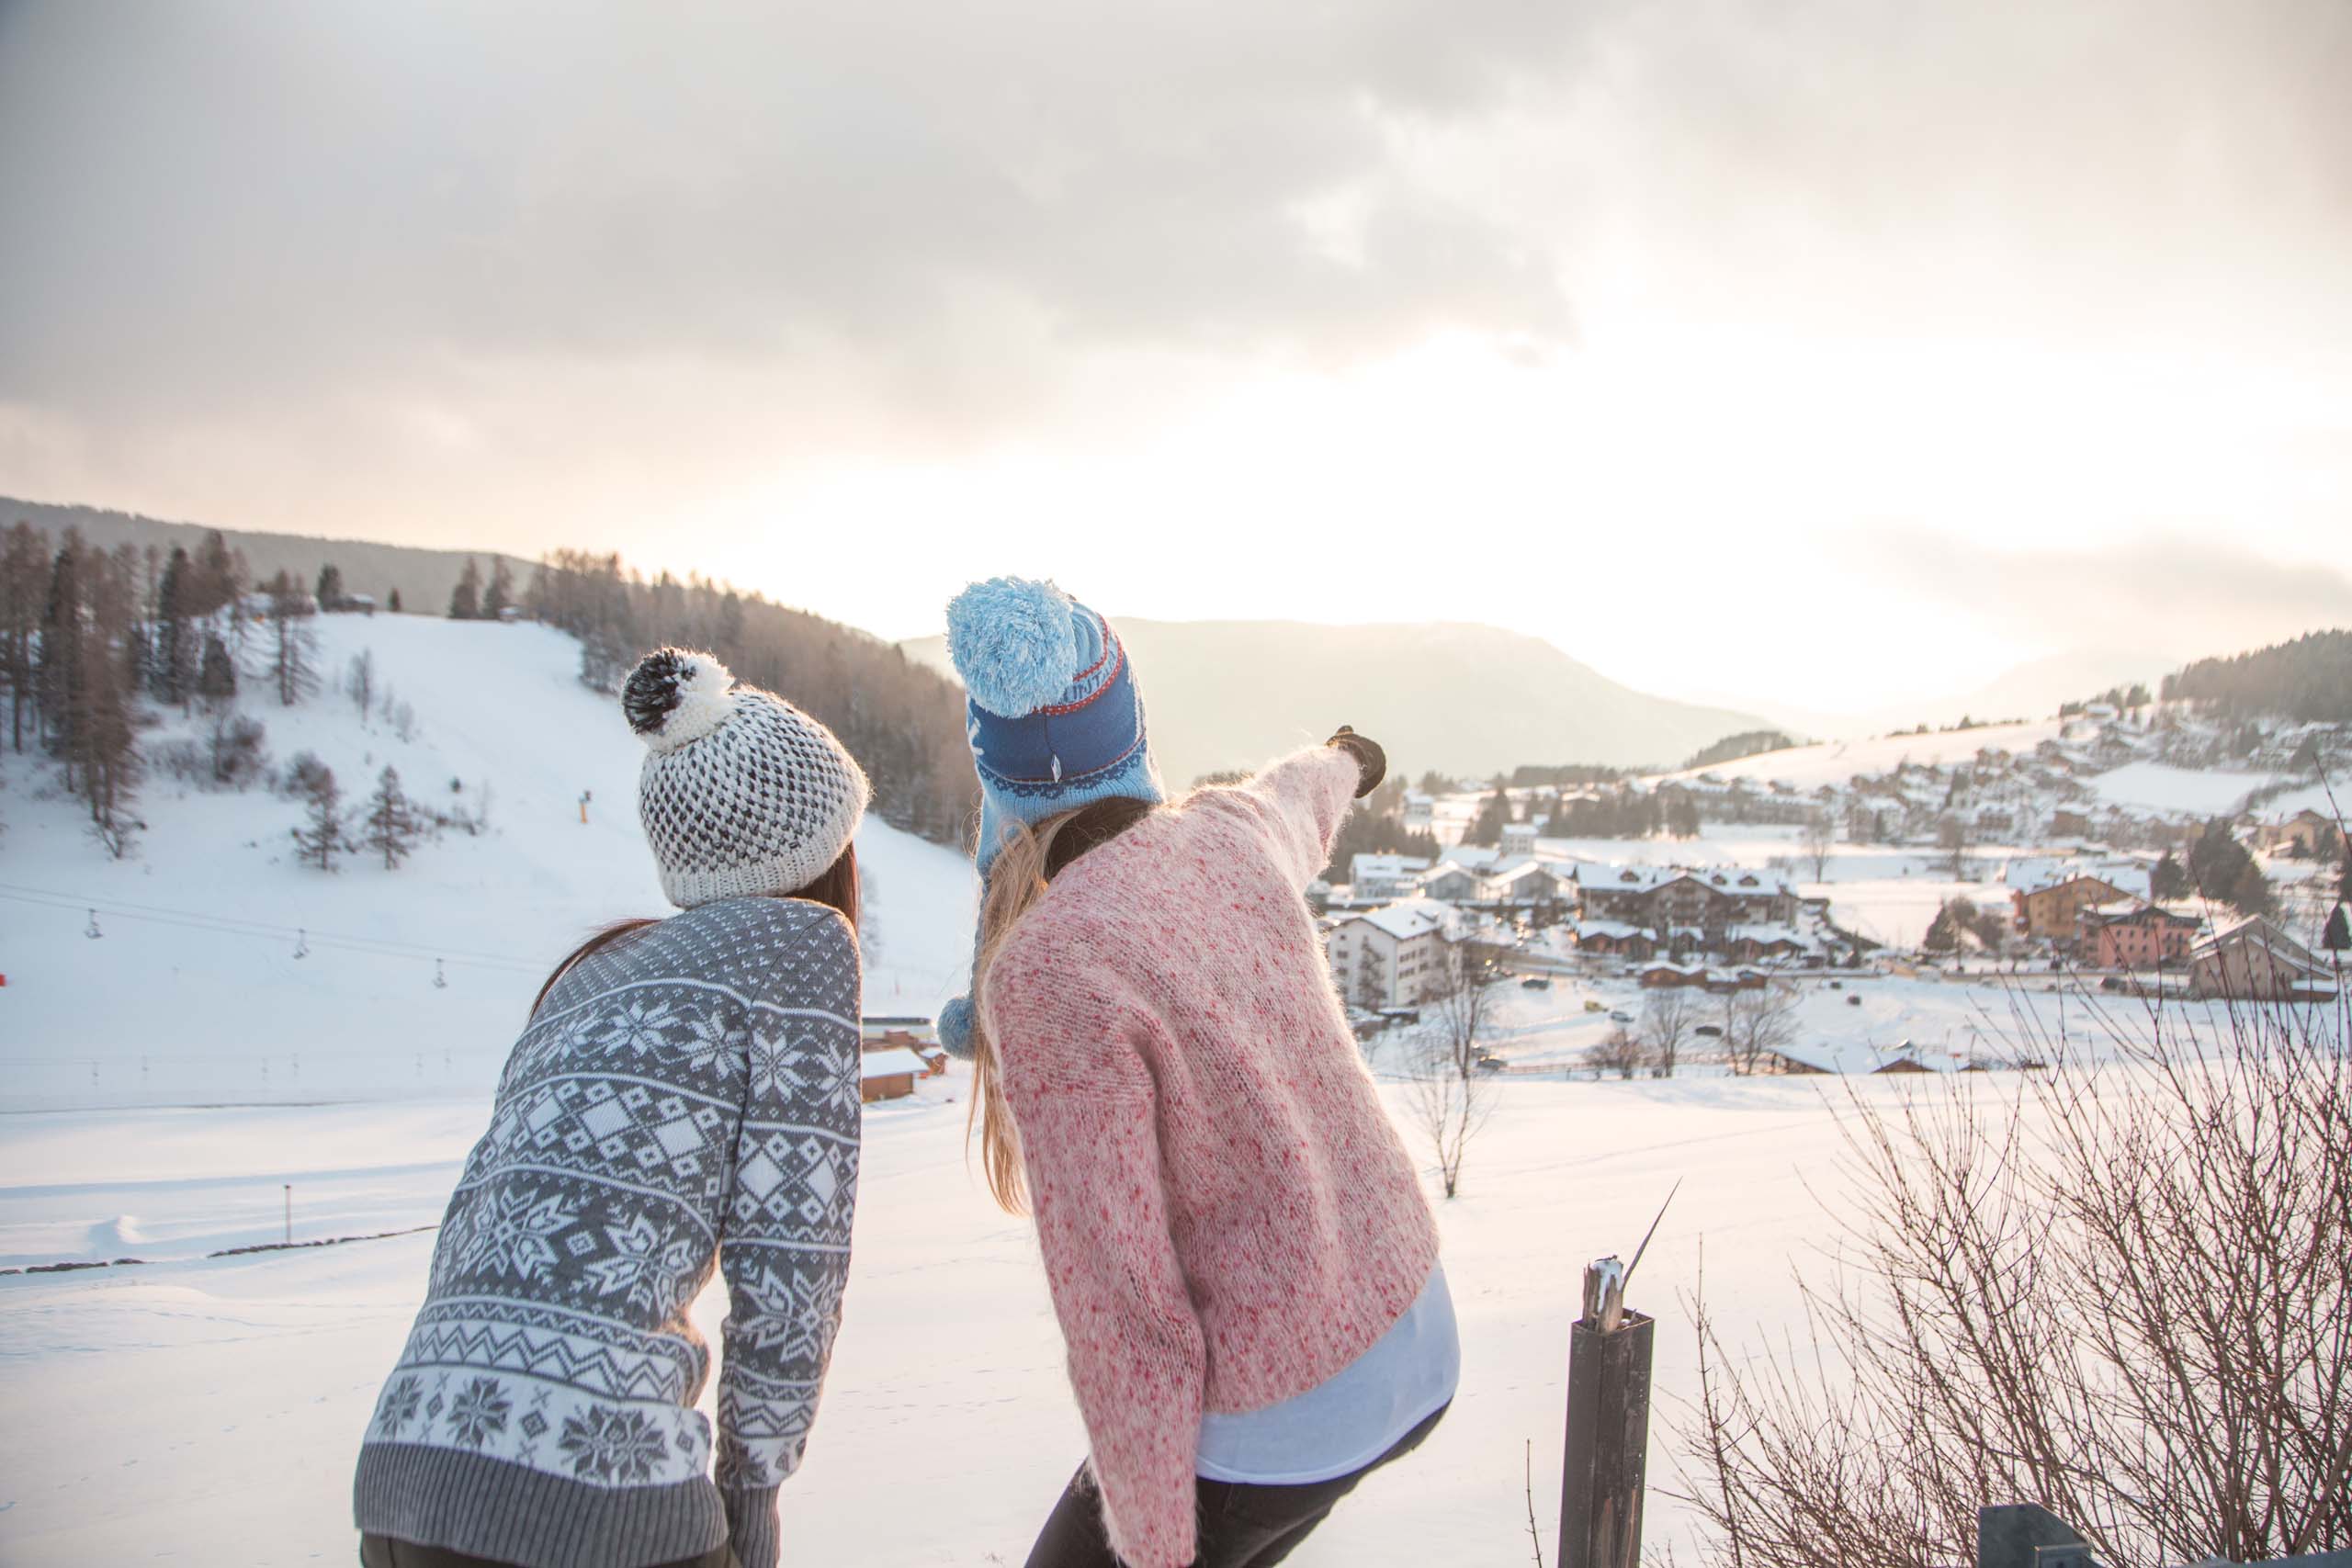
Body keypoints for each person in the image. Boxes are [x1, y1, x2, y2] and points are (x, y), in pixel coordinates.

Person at [937, 578, 1457, 1568]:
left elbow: (1122, 1311)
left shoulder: (1047, 972)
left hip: (1292, 1403)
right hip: (1417, 1333)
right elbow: (1298, 793)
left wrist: (1153, 1552)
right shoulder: (1225, 832)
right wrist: (1349, 757)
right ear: (1130, 733)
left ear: (995, 784)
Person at [354, 648, 872, 1568]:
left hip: (404, 1474)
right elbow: (791, 1272)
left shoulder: (591, 975)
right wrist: (750, 1510)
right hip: (593, 1495)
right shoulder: (802, 949)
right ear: (825, 844)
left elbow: (470, 1228)